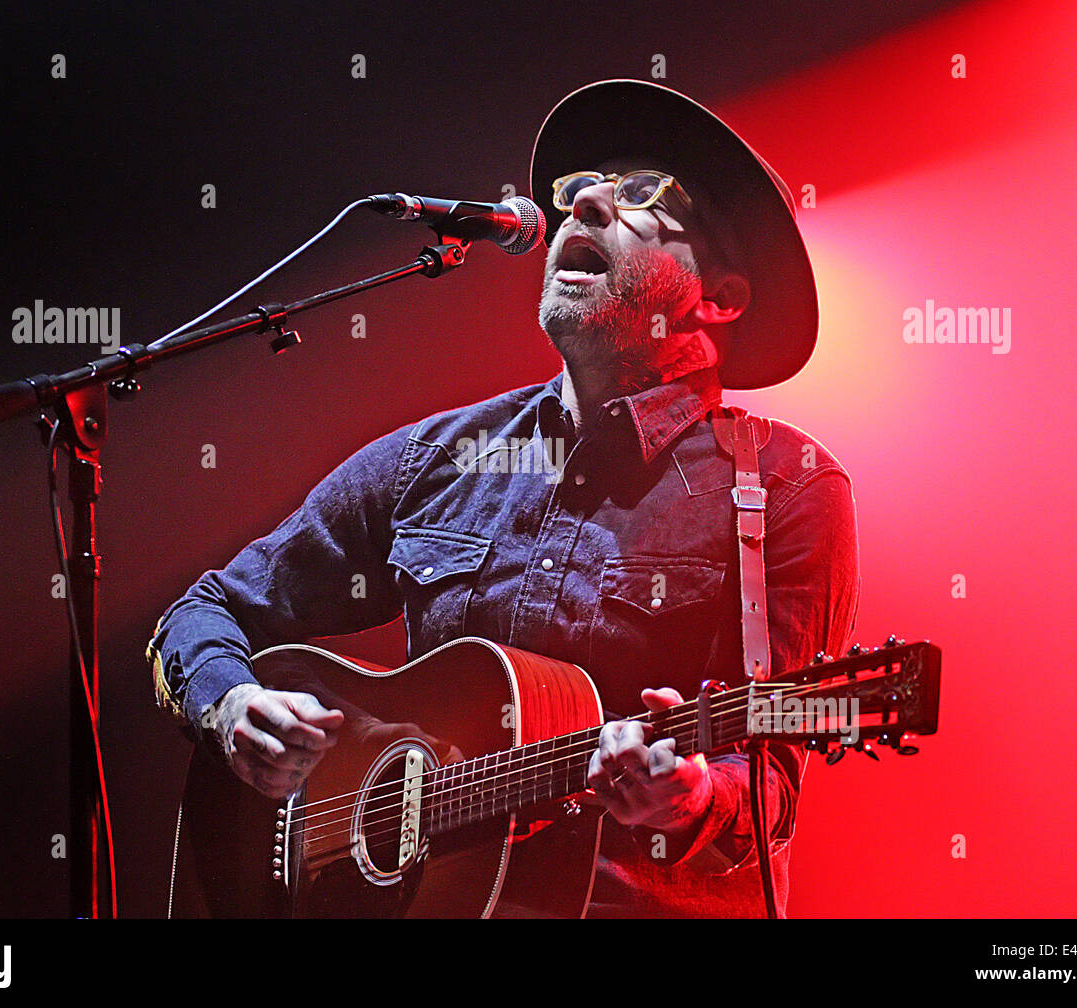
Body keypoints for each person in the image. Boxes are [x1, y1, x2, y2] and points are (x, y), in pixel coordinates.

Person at [147, 79, 860, 917]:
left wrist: (694, 796)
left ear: (720, 297)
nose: (585, 201)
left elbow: (772, 783)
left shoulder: (784, 488)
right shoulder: (437, 457)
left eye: (642, 197)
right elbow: (205, 610)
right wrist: (230, 704)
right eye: (578, 188)